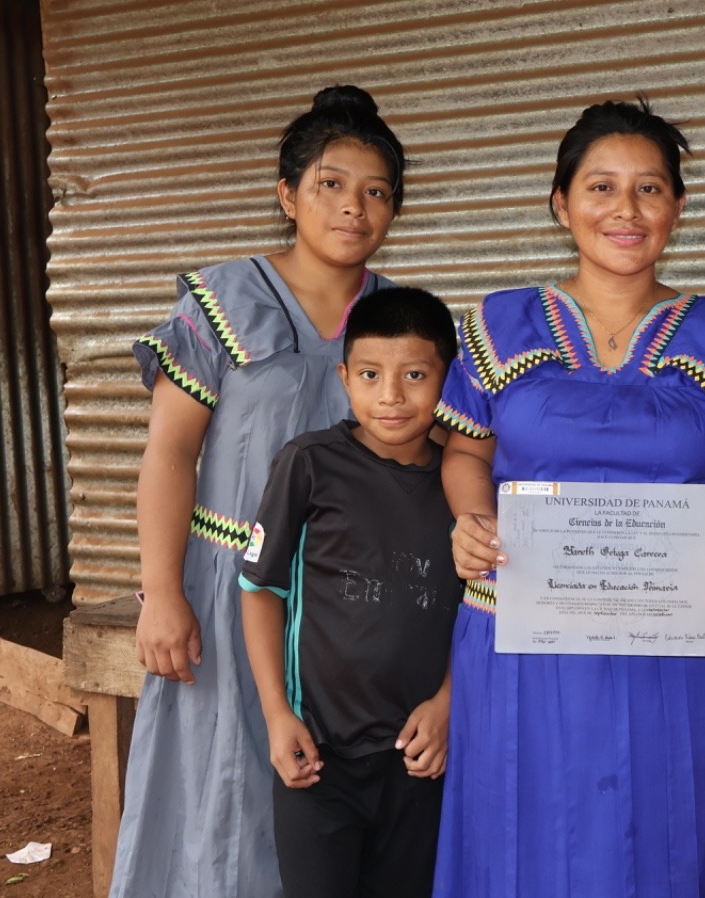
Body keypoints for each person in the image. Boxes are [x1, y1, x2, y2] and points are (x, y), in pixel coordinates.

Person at [433, 98, 705, 897]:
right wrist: (473, 518)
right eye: (601, 187)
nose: (625, 209)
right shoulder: (499, 326)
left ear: (677, 206)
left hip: (666, 637)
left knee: (660, 834)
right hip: (520, 633)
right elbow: (468, 449)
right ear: (560, 202)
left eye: (649, 188)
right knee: (518, 836)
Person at [118, 85, 408, 898]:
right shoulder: (221, 299)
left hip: (351, 601)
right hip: (226, 586)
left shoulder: (397, 316)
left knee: (332, 794)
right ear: (287, 194)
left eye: (377, 191)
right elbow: (171, 454)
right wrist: (162, 593)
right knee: (223, 784)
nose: (354, 206)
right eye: (331, 183)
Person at [239, 286, 462, 898]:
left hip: (419, 758)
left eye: (415, 374)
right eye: (370, 374)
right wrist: (277, 716)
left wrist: (449, 703)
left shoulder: (463, 484)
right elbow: (259, 590)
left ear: (450, 378)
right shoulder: (309, 464)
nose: (391, 395)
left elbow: (484, 608)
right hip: (318, 758)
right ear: (344, 377)